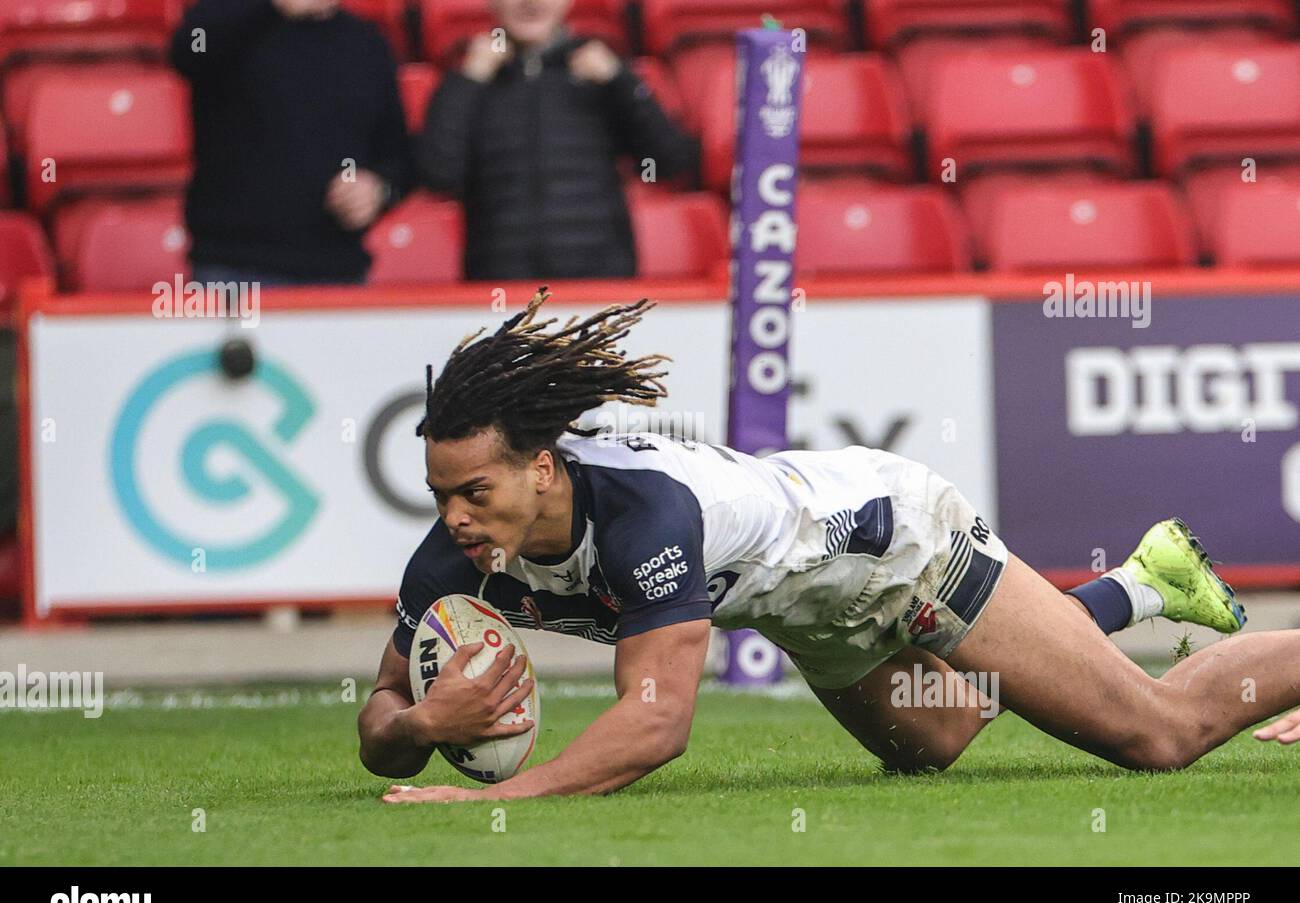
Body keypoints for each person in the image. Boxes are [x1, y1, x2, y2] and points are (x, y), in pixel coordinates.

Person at [360, 289, 1299, 804]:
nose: (454, 517)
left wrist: (497, 801)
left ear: (543, 468)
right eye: (440, 494)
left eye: (474, 492)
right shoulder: (454, 558)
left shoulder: (644, 519)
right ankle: (1138, 585)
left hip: (897, 548)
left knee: (1156, 737)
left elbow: (656, 724)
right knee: (939, 740)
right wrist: (419, 728)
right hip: (804, 608)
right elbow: (382, 714)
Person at [417, 0, 699, 280]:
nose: (531, 3)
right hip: (502, 288)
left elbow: (667, 163)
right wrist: (469, 80)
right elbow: (439, 175)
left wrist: (620, 81)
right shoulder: (469, 80)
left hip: (599, 285)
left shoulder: (604, 76)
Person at [170, 0, 412, 286]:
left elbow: (398, 156)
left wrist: (378, 189)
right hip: (233, 267)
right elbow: (189, 49)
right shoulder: (228, 18)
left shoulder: (369, 44)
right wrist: (271, 7)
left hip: (338, 270)